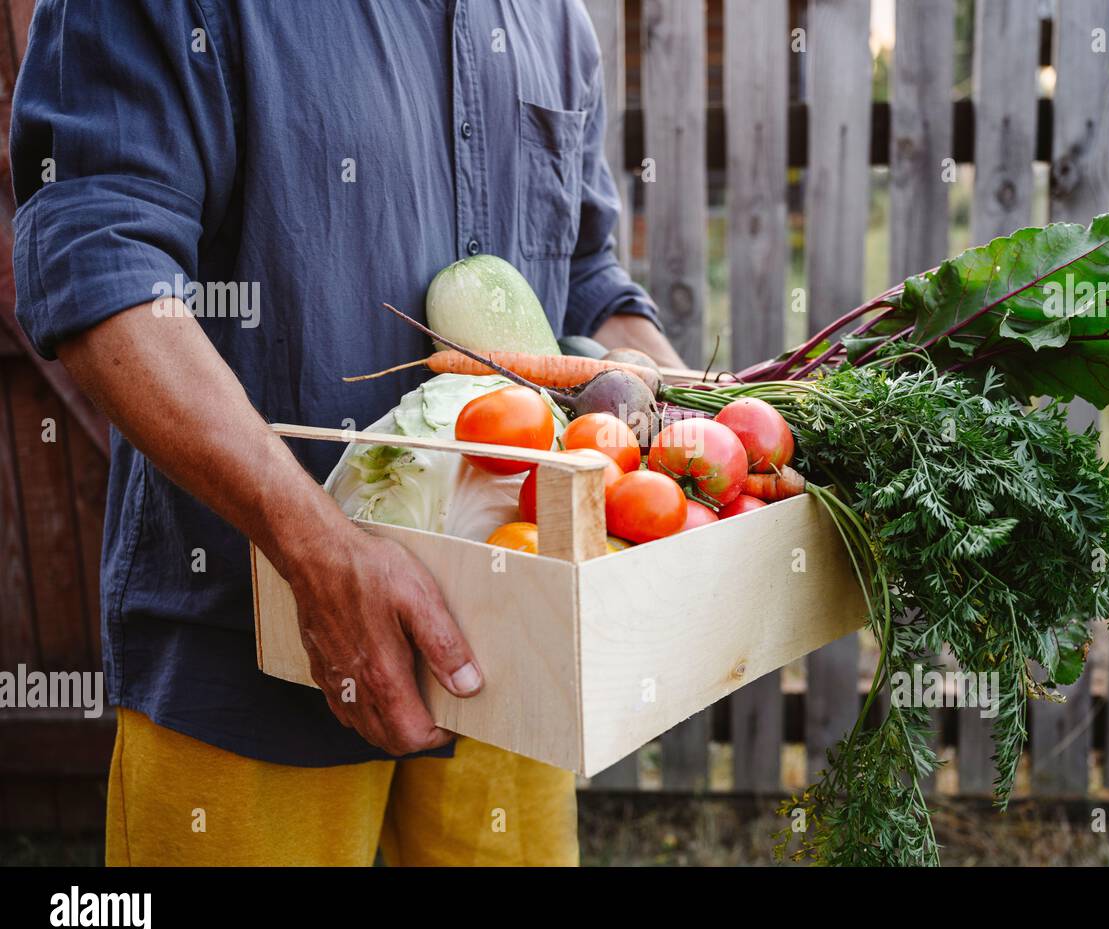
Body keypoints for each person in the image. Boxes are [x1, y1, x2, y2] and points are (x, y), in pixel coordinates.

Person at [10, 0, 681, 866]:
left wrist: (686, 410)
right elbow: (102, 268)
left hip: (516, 670)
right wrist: (319, 553)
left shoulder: (555, 18)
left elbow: (587, 279)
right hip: (251, 661)